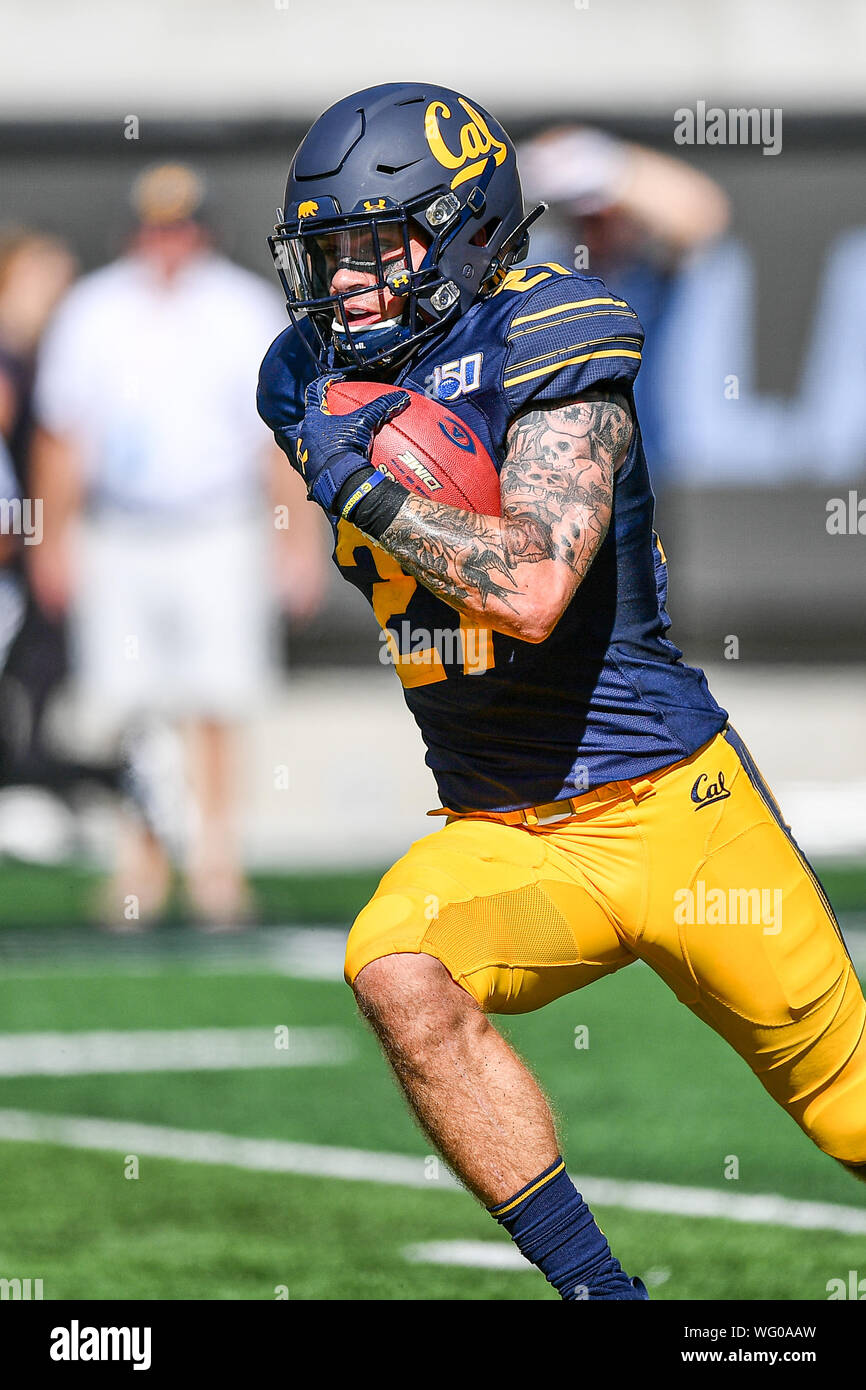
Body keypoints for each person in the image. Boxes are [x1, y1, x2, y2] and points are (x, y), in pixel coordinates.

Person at [257, 84, 866, 1301]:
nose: (349, 285)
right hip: (503, 831)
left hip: (677, 818)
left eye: (380, 246)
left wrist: (365, 489)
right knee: (394, 967)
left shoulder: (555, 329)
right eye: (329, 255)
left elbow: (532, 583)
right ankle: (604, 1298)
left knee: (850, 1113)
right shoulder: (300, 373)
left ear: (467, 231)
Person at [32, 163, 327, 927]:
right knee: (130, 701)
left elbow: (278, 439)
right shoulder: (95, 310)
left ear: (203, 232)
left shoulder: (240, 307)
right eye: (156, 227)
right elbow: (63, 434)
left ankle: (216, 861)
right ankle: (142, 862)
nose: (168, 242)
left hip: (217, 525)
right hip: (122, 527)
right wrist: (53, 538)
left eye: (182, 226)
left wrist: (294, 540)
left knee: (218, 699)